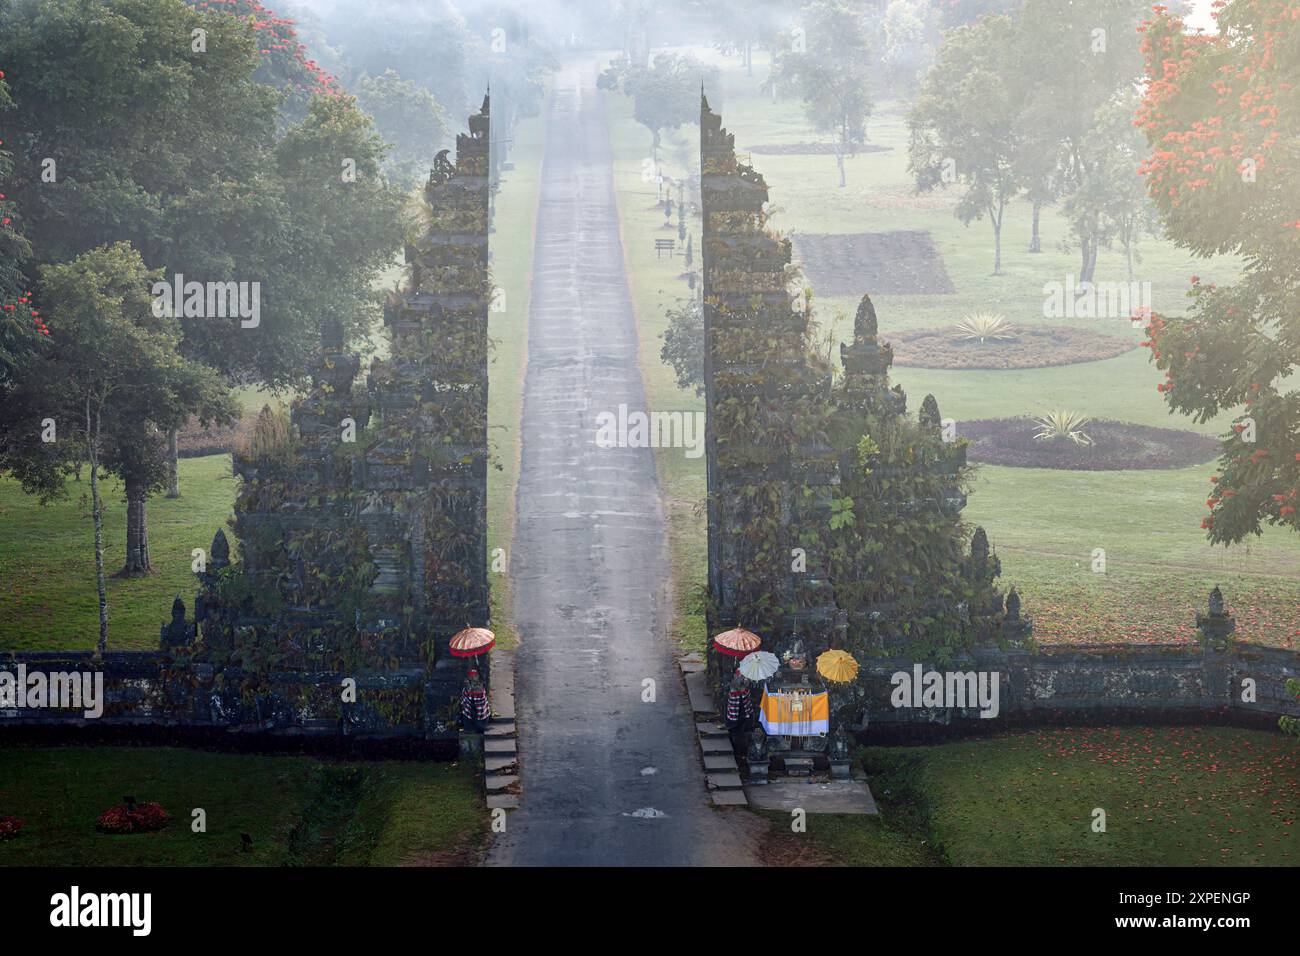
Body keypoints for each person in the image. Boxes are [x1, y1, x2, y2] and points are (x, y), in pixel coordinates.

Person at [459, 668, 490, 733]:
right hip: (471, 706)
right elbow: (468, 690)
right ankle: (471, 727)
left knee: (477, 717)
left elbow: (479, 690)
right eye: (471, 676)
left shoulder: (479, 684)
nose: (473, 677)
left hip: (478, 706)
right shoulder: (467, 682)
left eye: (475, 676)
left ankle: (478, 726)